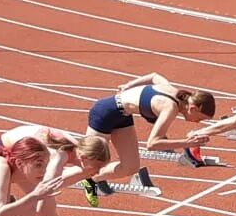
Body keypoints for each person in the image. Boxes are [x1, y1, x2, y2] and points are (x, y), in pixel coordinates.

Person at [80, 76, 217, 207]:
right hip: (104, 113)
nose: (199, 122)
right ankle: (63, 181)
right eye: (200, 118)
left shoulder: (173, 91)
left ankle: (92, 180)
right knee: (87, 163)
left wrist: (129, 85)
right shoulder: (170, 108)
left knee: (130, 167)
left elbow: (154, 76)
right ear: (193, 108)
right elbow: (152, 144)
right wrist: (187, 143)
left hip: (123, 117)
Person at [0, 125, 110, 216]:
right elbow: (45, 211)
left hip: (20, 157)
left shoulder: (79, 146)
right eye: (97, 167)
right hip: (1, 155)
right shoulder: (57, 158)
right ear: (84, 160)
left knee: (34, 207)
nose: (98, 172)